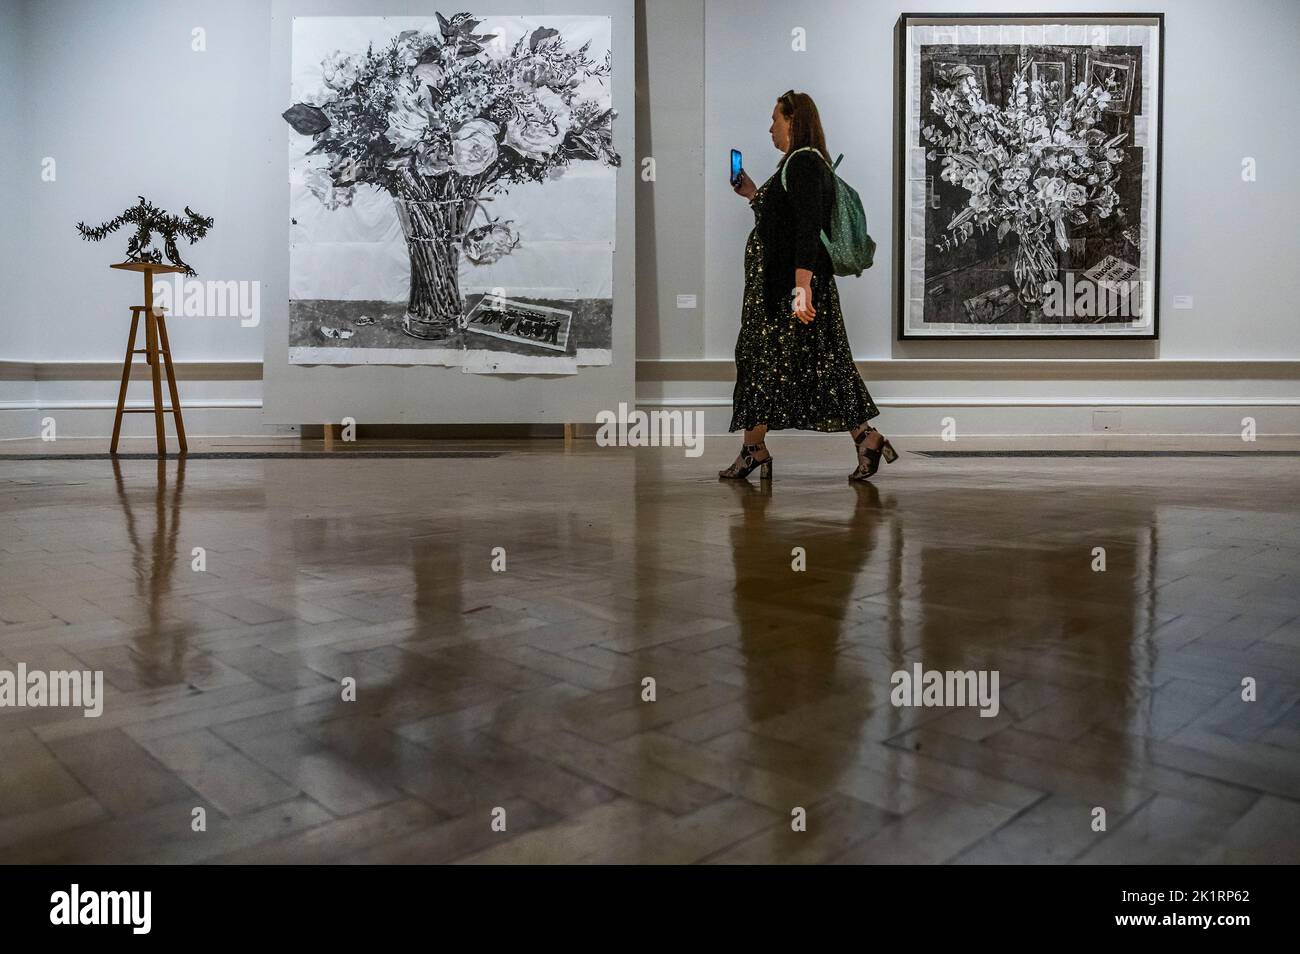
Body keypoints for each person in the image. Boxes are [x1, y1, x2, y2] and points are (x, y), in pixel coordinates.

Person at [719, 90, 896, 482]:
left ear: (793, 121)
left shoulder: (802, 164)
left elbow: (806, 229)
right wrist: (752, 193)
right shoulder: (799, 165)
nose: (770, 128)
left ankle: (755, 448)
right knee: (816, 364)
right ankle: (863, 438)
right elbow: (783, 223)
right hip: (789, 289)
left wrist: (802, 288)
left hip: (790, 291)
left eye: (775, 120)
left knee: (766, 362)